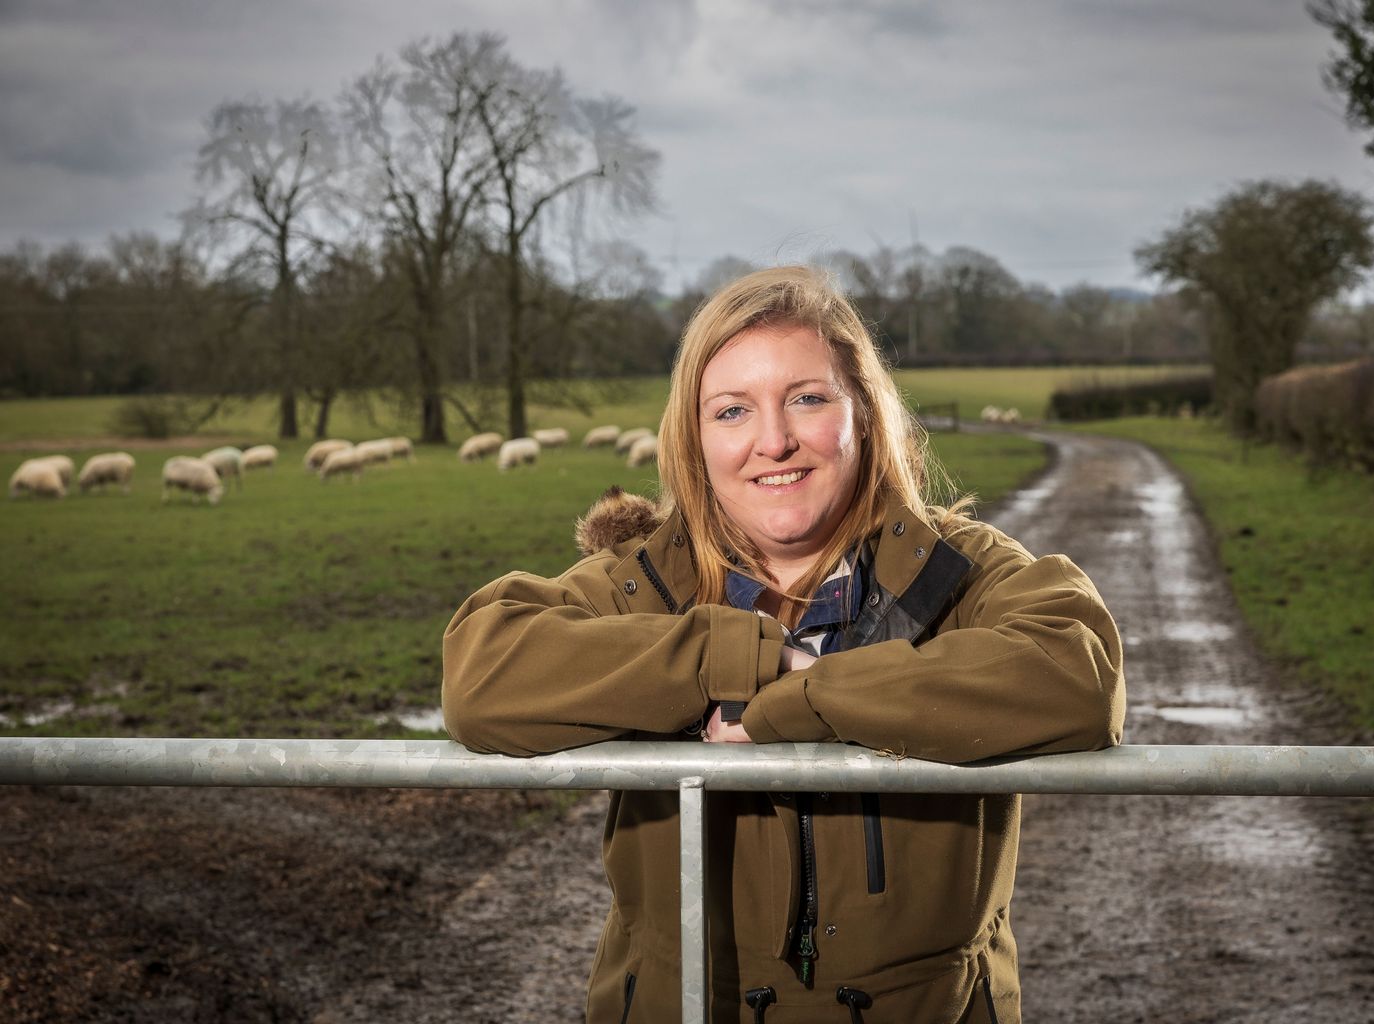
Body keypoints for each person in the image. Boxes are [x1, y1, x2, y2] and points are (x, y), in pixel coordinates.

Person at [442, 265, 1125, 1023]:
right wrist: (736, 658)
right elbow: (482, 669)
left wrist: (806, 694)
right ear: (694, 439)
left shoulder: (958, 570)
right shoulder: (642, 583)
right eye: (732, 411)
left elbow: (1077, 669)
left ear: (864, 413)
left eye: (807, 399)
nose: (774, 442)